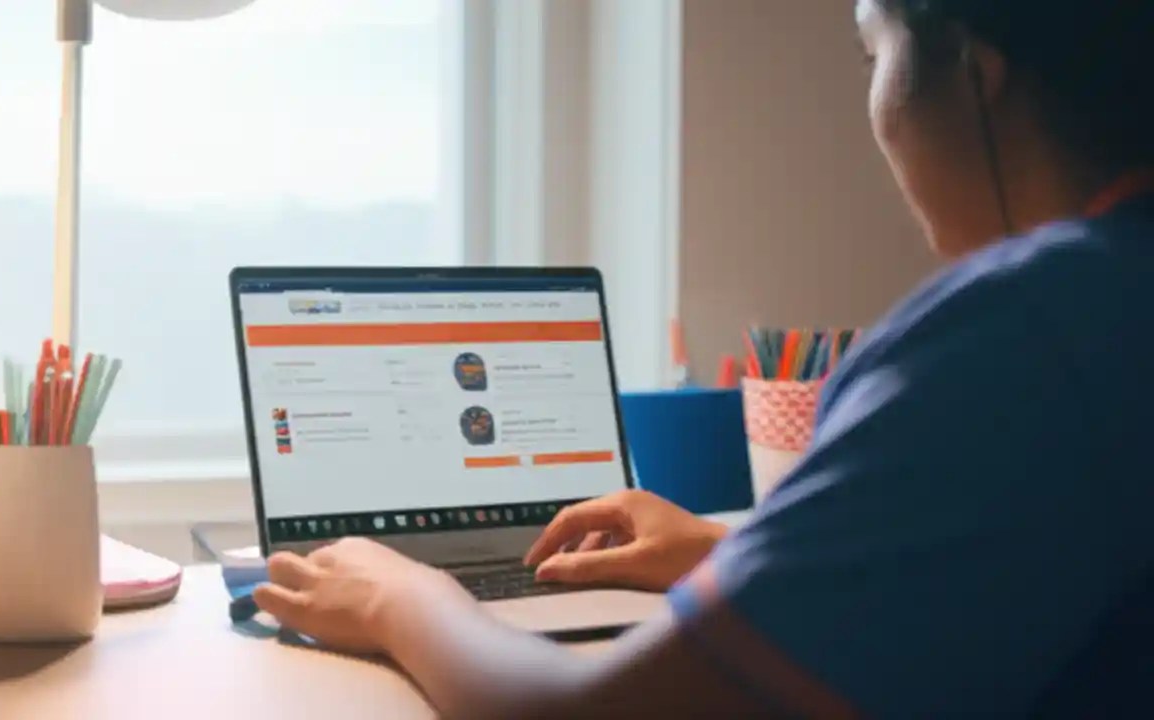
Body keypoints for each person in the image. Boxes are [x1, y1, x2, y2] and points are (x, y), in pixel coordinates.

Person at [253, 1, 1154, 716]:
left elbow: (578, 712)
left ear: (975, 73)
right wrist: (729, 552)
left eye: (871, 54)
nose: (873, 98)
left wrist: (396, 597)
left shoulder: (1027, 330)